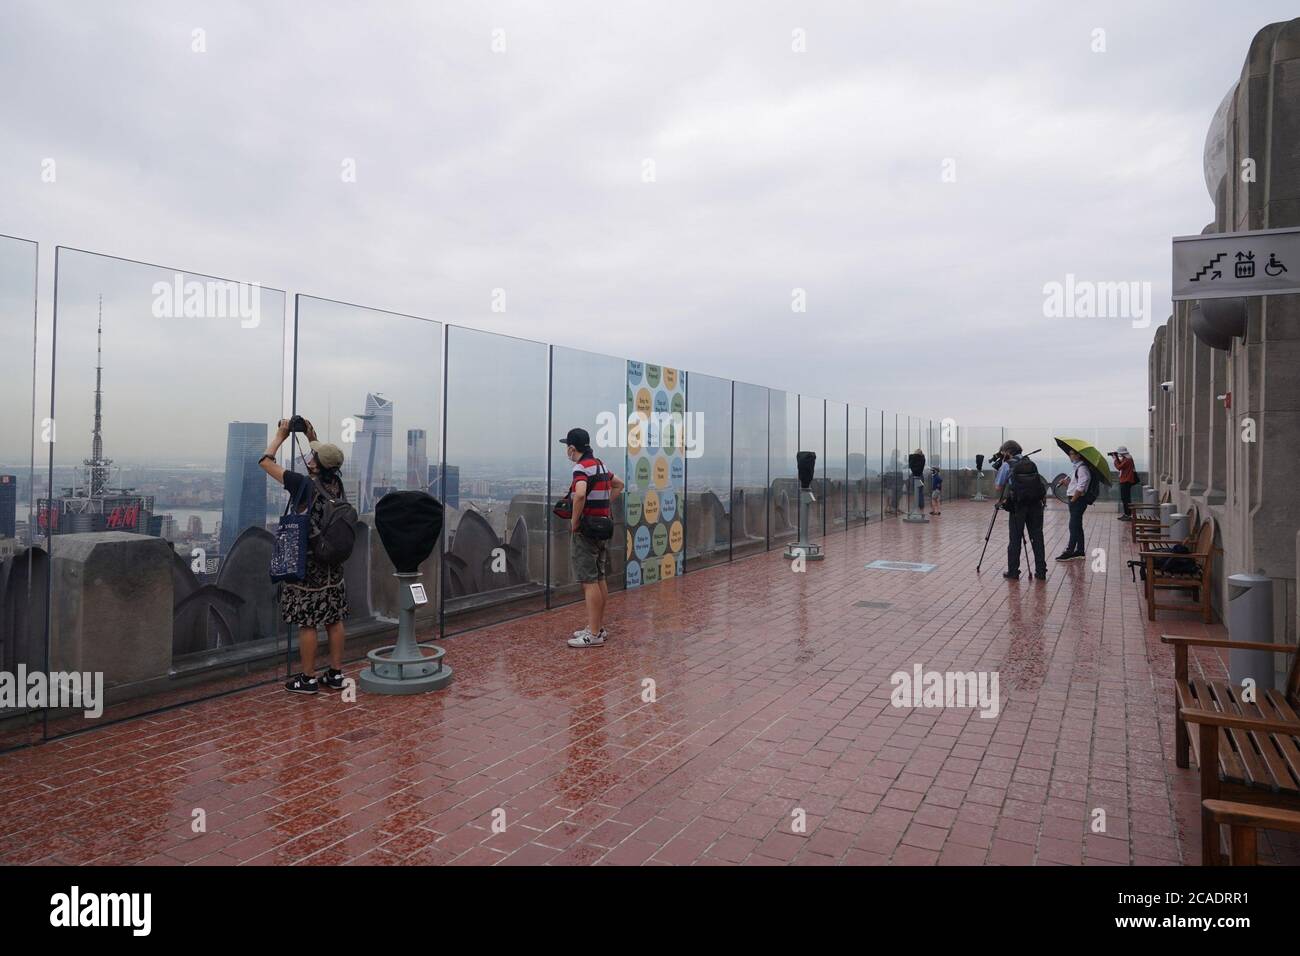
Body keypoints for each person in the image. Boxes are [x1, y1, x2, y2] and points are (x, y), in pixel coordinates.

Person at [259, 418, 350, 693]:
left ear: (314, 464)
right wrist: (312, 435)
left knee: (308, 622)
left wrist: (280, 435)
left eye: (313, 457)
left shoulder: (302, 484)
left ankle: (308, 678)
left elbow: (265, 462)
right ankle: (335, 674)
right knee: (334, 619)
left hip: (308, 562)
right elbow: (323, 457)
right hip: (333, 564)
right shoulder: (337, 484)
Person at [560, 427, 624, 648]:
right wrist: (603, 506)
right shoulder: (600, 464)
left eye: (566, 448)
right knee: (599, 578)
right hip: (603, 528)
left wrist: (575, 521)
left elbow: (579, 493)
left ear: (571, 448)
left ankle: (594, 634)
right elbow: (619, 484)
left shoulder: (580, 468)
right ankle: (597, 626)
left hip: (586, 531)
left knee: (589, 582)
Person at [993, 439, 1046, 581]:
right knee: (1037, 537)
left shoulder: (1007, 465)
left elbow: (998, 487)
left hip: (1018, 506)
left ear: (1008, 452)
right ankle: (1041, 571)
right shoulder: (1029, 462)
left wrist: (999, 469)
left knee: (1015, 539)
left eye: (1003, 452)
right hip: (1035, 504)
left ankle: (1013, 572)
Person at [1058, 449, 1091, 561]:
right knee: (1077, 526)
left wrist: (1073, 501)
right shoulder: (1077, 468)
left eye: (1071, 454)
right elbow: (1075, 486)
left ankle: (1070, 551)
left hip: (1078, 501)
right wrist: (1066, 483)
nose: (1069, 456)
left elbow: (1081, 488)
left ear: (1078, 455)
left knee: (1073, 526)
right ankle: (1080, 551)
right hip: (1076, 500)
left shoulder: (1082, 469)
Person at [1110, 447, 1138, 521]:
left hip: (1126, 480)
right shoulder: (1127, 459)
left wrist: (1115, 459)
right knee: (1125, 498)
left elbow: (1119, 467)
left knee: (1125, 499)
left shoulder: (1127, 460)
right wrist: (1117, 458)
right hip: (1126, 480)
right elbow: (1121, 465)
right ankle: (1126, 514)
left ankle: (1128, 515)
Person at [907, 448, 926, 515]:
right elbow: (911, 465)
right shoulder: (922, 458)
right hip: (919, 477)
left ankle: (918, 509)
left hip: (917, 477)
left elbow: (912, 466)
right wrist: (916, 455)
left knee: (918, 493)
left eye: (915, 453)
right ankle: (918, 509)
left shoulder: (920, 459)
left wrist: (915, 455)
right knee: (919, 492)